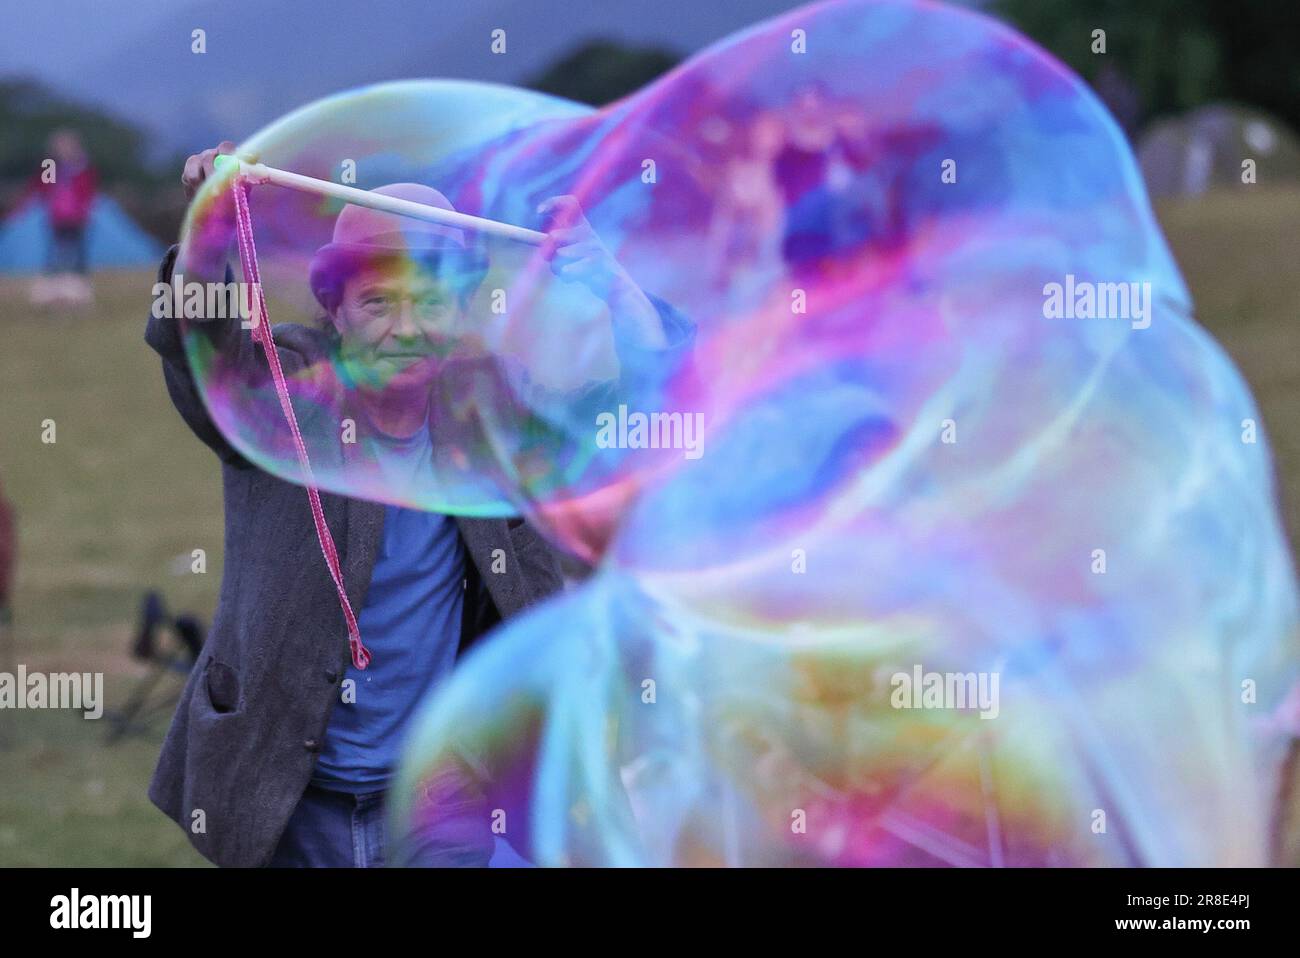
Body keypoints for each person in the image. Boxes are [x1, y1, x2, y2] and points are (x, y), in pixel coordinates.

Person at [145, 143, 694, 867]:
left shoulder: (487, 408)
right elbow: (200, 347)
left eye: (431, 301)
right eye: (377, 302)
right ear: (334, 311)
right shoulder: (285, 397)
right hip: (294, 794)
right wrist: (208, 233)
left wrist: (618, 296)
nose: (406, 328)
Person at [27, 129, 98, 307]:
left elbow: (88, 190)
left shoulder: (82, 167)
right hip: (57, 217)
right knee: (55, 256)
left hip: (78, 217)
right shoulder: (51, 166)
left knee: (78, 255)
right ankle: (53, 292)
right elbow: (43, 187)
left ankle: (80, 292)